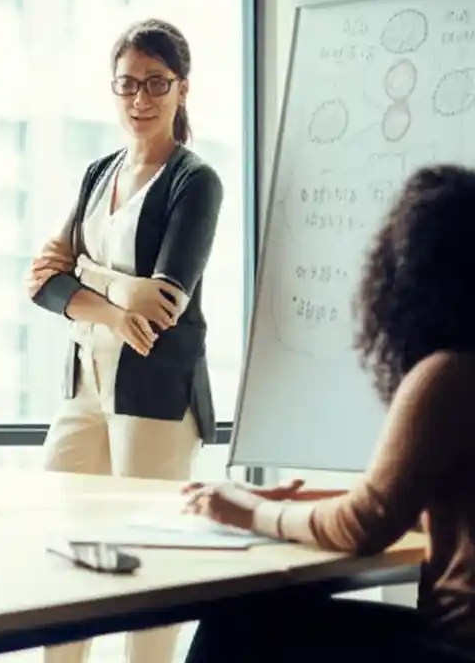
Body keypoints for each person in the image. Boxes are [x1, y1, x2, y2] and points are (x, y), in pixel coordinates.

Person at [183, 165, 475, 663]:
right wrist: (270, 501)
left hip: (453, 650)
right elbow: (405, 499)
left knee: (240, 622)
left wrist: (250, 513)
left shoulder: (450, 375)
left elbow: (366, 523)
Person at [25, 18, 222, 663]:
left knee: (148, 561)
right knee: (65, 545)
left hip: (155, 390)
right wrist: (112, 303)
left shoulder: (196, 181)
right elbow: (41, 283)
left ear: (181, 89)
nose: (141, 99)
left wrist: (86, 276)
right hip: (87, 378)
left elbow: (164, 300)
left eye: (156, 83)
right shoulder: (97, 173)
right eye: (128, 84)